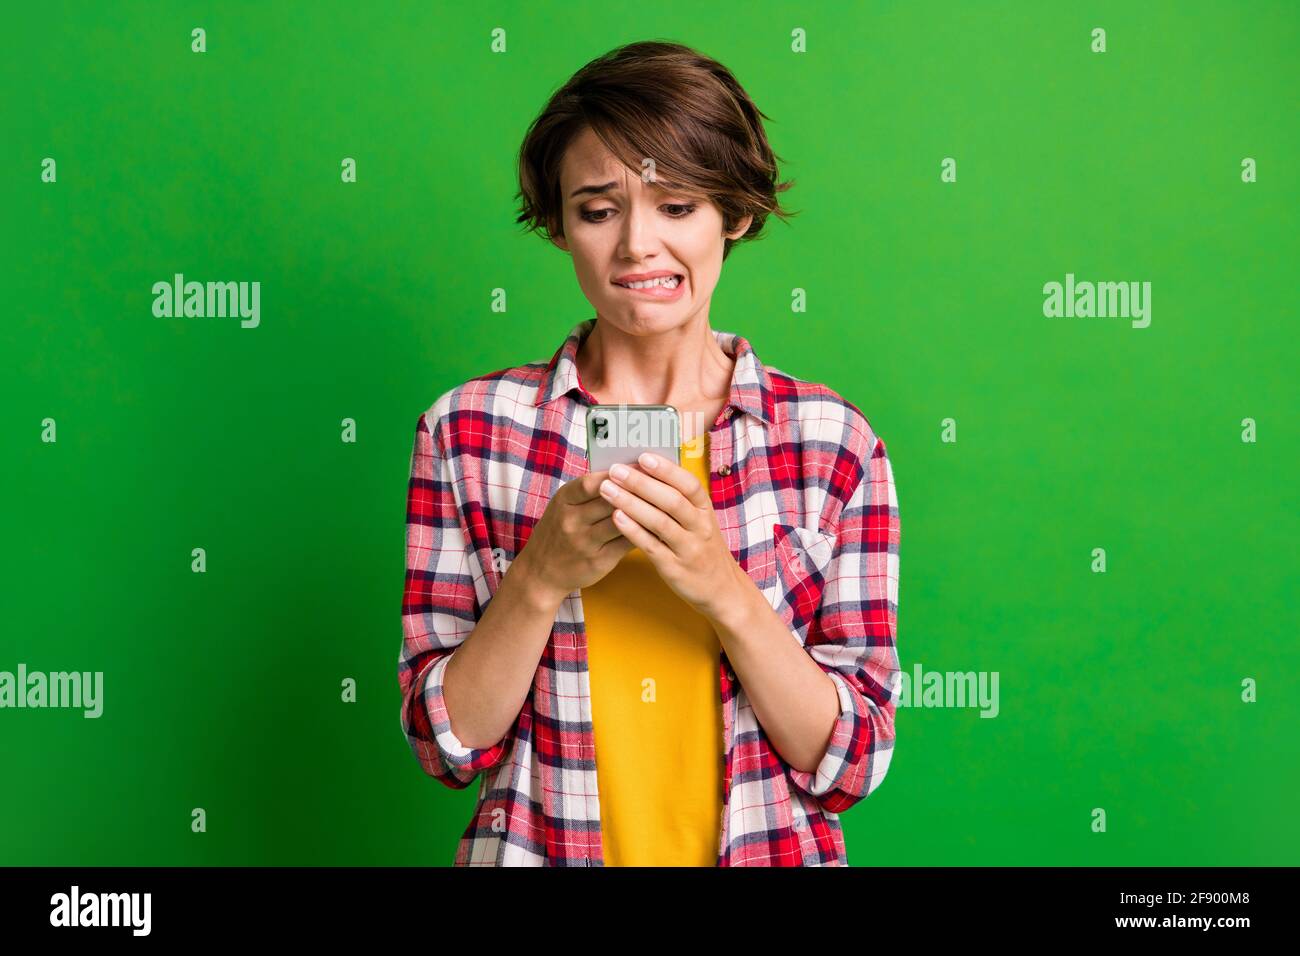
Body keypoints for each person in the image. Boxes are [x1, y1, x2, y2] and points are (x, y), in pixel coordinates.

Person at [398, 40, 900, 866]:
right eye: (599, 210)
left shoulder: (831, 443)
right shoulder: (469, 431)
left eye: (677, 206)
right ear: (560, 226)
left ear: (733, 214)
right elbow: (444, 746)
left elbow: (851, 761)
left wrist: (720, 584)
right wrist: (538, 577)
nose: (637, 245)